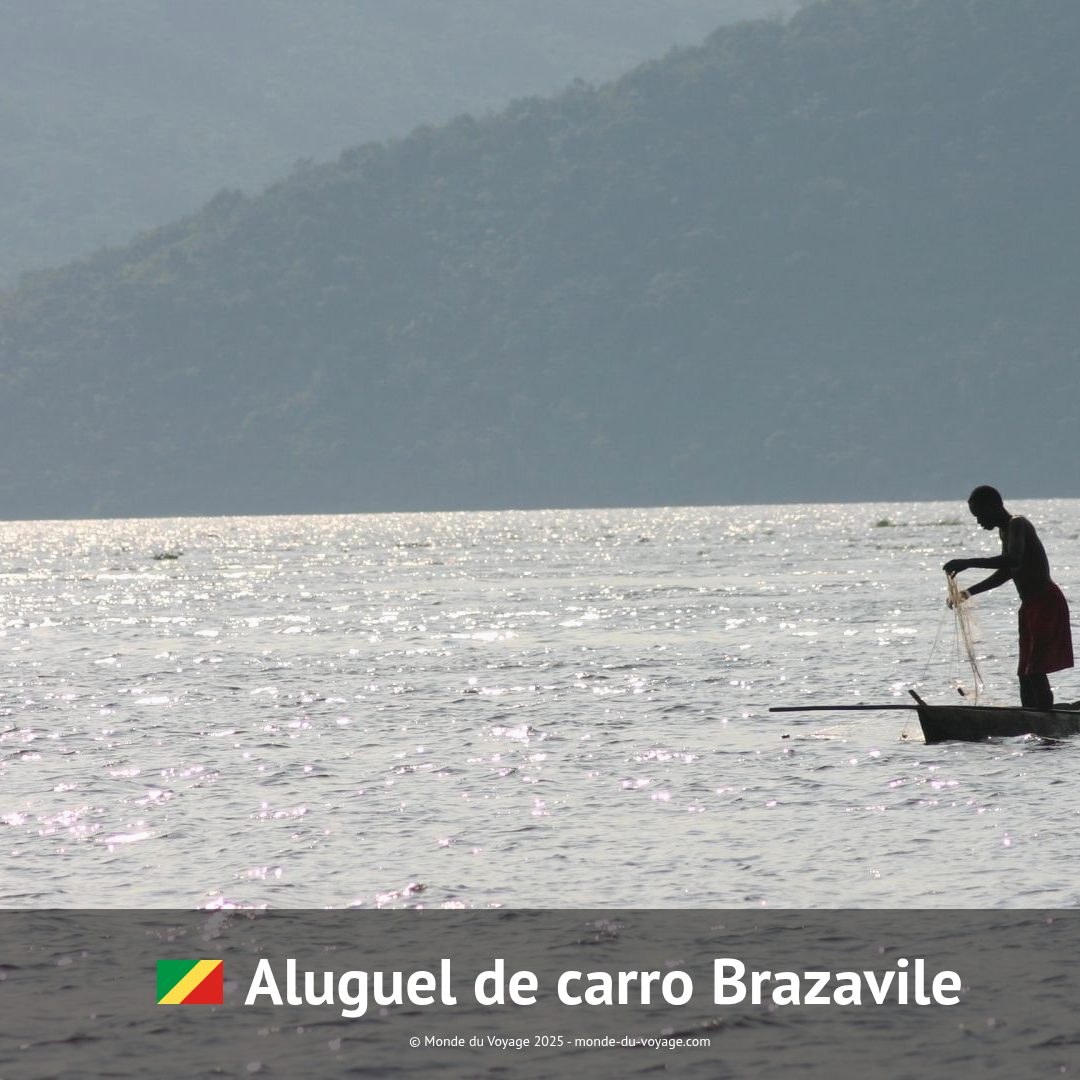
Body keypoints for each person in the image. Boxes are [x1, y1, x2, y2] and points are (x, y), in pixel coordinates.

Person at [944, 486, 1073, 708]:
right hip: (1030, 606)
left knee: (1035, 668)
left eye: (980, 515)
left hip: (1046, 602)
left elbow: (1013, 559)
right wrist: (967, 593)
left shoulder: (1017, 524)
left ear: (993, 507)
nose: (979, 522)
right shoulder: (1004, 531)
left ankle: (1045, 719)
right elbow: (1007, 573)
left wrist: (967, 562)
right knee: (1024, 670)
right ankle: (1029, 715)